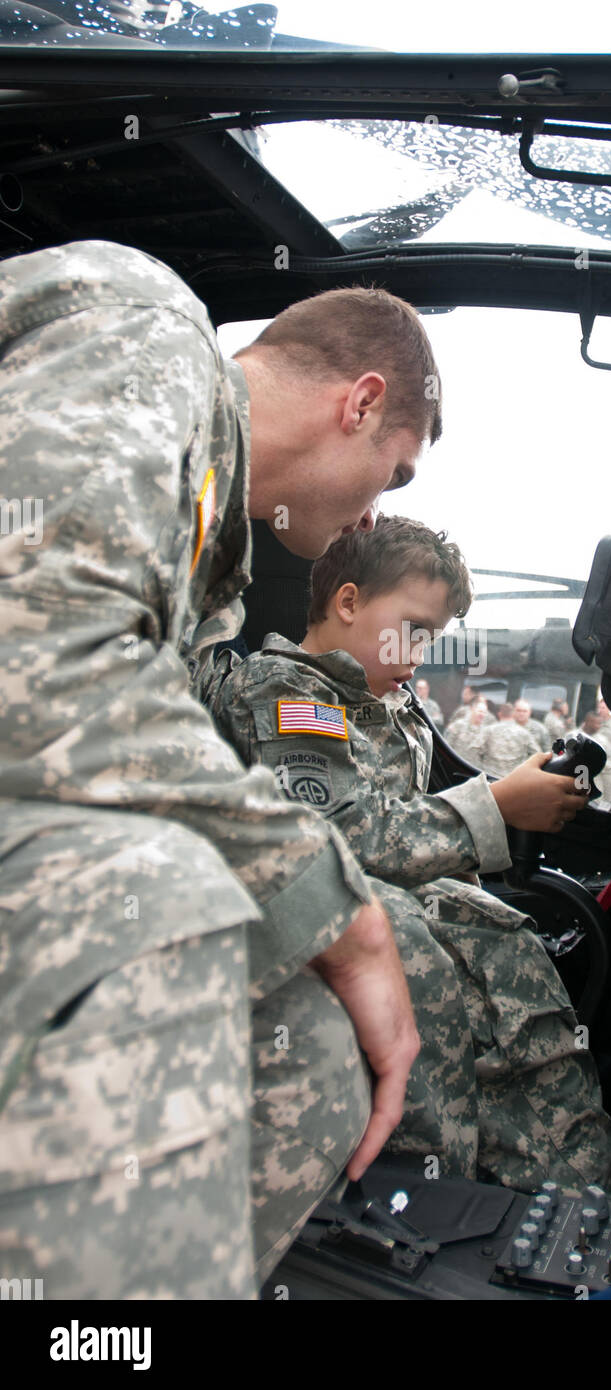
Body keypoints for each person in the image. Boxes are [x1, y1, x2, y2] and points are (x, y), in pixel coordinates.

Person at [0, 241, 443, 1298]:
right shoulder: (148, 333)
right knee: (168, 896)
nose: (377, 512)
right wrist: (339, 906)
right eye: (397, 469)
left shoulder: (203, 537)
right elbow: (37, 644)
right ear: (360, 400)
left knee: (300, 1048)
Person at [208, 515, 611, 1203]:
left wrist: (512, 798)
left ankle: (591, 1219)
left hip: (449, 930)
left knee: (550, 1071)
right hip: (372, 937)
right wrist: (498, 806)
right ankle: (437, 1208)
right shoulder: (295, 693)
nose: (419, 655)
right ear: (348, 603)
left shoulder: (391, 704)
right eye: (412, 630)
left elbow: (419, 812)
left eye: (432, 638)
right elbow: (339, 838)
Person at [481, 701, 540, 778]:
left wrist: (480, 768)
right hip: (513, 778)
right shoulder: (524, 733)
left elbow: (474, 749)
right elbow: (537, 754)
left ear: (499, 714)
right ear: (513, 714)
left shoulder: (488, 730)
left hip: (489, 775)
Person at [447, 694, 492, 764]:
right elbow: (448, 744)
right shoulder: (459, 725)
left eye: (484, 712)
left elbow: (485, 754)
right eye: (480, 711)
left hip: (473, 769)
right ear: (472, 709)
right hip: (455, 764)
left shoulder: (485, 732)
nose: (481, 714)